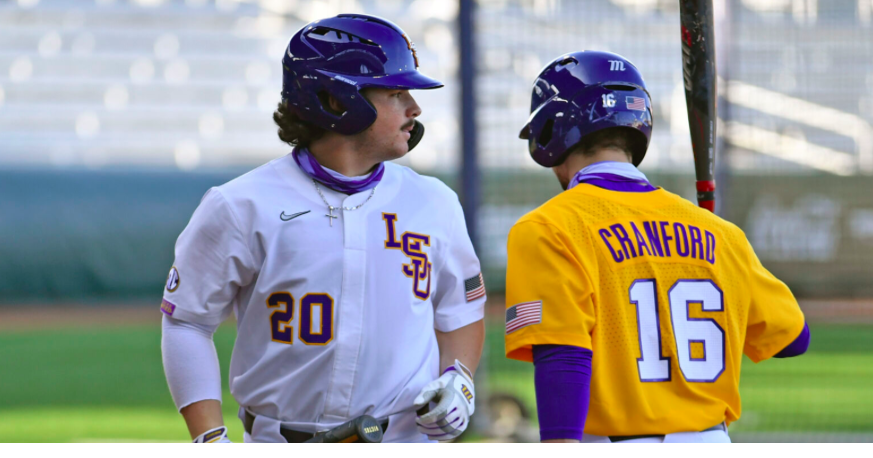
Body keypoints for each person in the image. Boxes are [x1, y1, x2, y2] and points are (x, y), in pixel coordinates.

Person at [160, 14, 485, 444]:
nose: (415, 108)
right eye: (396, 93)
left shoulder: (435, 201)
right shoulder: (239, 204)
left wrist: (459, 379)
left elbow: (461, 312)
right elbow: (187, 322)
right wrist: (208, 436)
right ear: (336, 101)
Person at [504, 51, 810, 444]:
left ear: (551, 133)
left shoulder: (549, 227)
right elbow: (794, 340)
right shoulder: (722, 234)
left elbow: (563, 358)